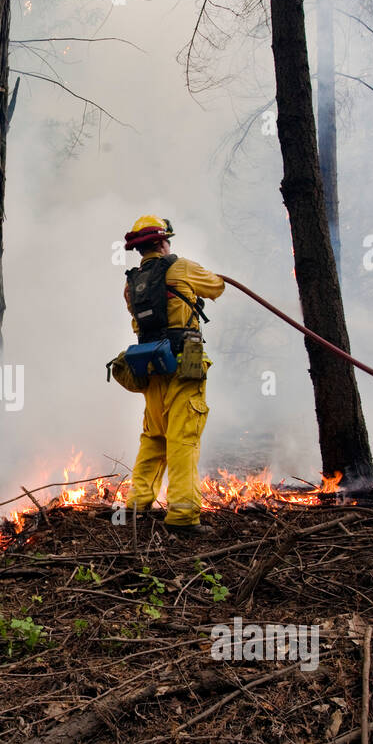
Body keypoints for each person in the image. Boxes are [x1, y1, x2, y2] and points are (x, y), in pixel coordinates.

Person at [121, 215, 225, 536]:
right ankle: (182, 516)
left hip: (152, 366)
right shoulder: (180, 267)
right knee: (184, 437)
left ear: (139, 249)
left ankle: (137, 505)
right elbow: (217, 287)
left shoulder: (131, 284)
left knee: (154, 437)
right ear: (163, 241)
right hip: (187, 362)